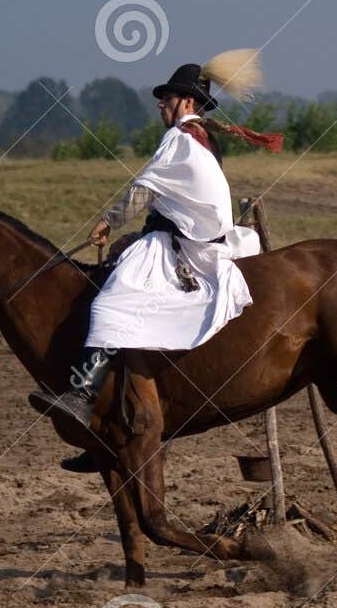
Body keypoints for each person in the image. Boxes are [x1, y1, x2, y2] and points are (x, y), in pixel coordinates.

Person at [40, 50, 282, 467]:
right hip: (195, 241)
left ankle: (81, 397)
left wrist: (108, 223)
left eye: (167, 98)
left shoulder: (178, 139)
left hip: (186, 247)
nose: (160, 104)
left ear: (187, 103)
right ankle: (111, 430)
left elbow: (143, 190)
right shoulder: (203, 139)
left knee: (112, 303)